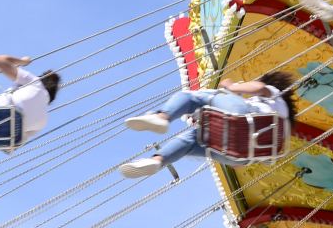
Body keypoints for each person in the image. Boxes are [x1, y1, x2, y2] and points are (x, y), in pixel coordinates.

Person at [119, 71, 297, 178]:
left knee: (192, 98)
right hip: (240, 157)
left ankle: (162, 118)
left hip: (246, 116)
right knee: (196, 139)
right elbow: (237, 166)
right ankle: (156, 162)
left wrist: (231, 87)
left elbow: (259, 88)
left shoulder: (275, 94)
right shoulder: (283, 125)